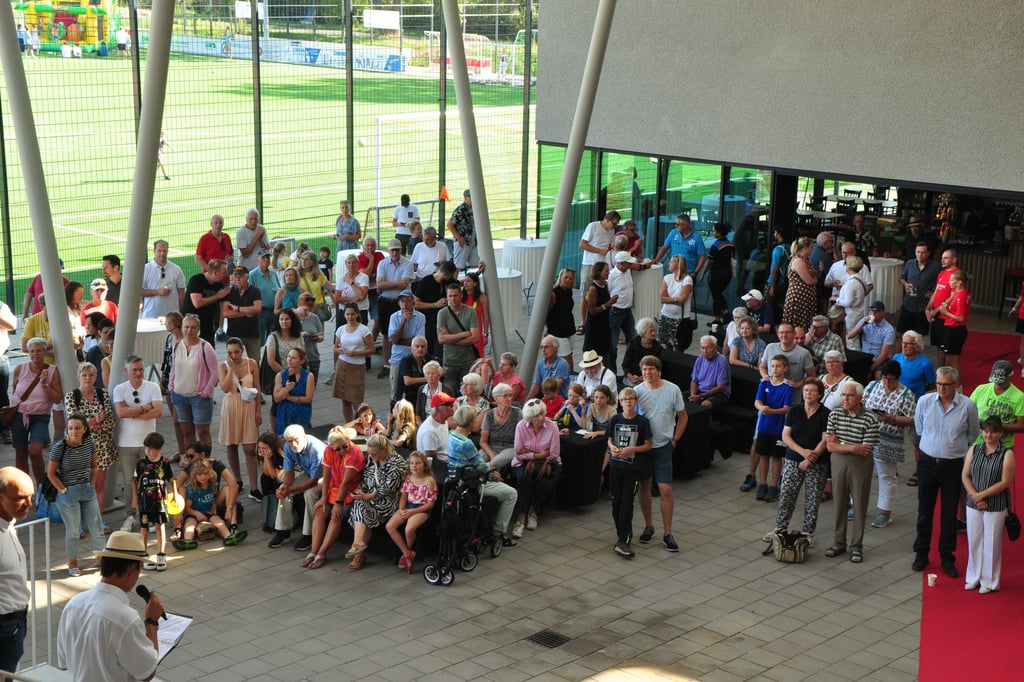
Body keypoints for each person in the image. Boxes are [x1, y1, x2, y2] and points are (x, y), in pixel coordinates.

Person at [56, 531, 163, 681]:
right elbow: (147, 672)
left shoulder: (74, 604)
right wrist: (151, 622)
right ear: (132, 569)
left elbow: (64, 662)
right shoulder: (126, 618)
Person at [913, 366, 979, 577]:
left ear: (956, 385)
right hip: (928, 463)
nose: (941, 388)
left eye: (946, 384)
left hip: (953, 465)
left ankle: (947, 557)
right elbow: (919, 429)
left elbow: (973, 435)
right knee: (924, 511)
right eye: (938, 383)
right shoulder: (924, 401)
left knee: (949, 513)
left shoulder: (968, 406)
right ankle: (921, 553)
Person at [768, 380, 830, 545]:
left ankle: (807, 533)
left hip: (818, 463)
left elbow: (825, 440)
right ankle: (780, 529)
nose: (808, 393)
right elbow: (786, 435)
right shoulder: (795, 410)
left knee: (812, 498)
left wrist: (811, 458)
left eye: (812, 391)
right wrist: (803, 453)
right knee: (787, 495)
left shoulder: (825, 413)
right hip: (793, 459)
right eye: (805, 390)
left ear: (819, 394)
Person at [635, 355, 687, 552]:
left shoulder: (672, 389)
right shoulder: (637, 392)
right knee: (644, 486)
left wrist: (675, 439)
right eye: (645, 370)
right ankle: (649, 526)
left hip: (664, 445)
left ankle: (668, 532)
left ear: (658, 371)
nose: (648, 373)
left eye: (651, 369)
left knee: (665, 489)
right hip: (644, 447)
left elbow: (683, 417)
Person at [824, 381, 880, 564]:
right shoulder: (835, 413)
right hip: (839, 461)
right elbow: (830, 446)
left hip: (860, 464)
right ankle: (839, 542)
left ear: (859, 397)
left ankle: (856, 546)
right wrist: (852, 447)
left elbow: (866, 449)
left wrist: (841, 444)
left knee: (859, 503)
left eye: (849, 396)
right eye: (843, 395)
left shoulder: (870, 418)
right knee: (839, 501)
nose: (844, 399)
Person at [962, 416, 1016, 594]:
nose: (988, 435)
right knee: (974, 540)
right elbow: (965, 475)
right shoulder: (974, 449)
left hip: (995, 505)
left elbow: (1005, 482)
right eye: (986, 431)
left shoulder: (1007, 454)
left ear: (1000, 433)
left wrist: (981, 495)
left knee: (992, 543)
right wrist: (974, 495)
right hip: (973, 503)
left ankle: (990, 581)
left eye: (993, 431)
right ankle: (973, 577)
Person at [48, 414, 105, 577]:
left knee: (97, 527)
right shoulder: (60, 447)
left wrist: (92, 484)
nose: (74, 431)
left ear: (84, 429)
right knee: (73, 531)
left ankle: (102, 558)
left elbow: (94, 466)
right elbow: (51, 473)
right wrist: (63, 490)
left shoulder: (89, 442)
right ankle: (72, 562)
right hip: (68, 493)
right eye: (71, 428)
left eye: (78, 428)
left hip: (87, 490)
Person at [862, 361, 917, 529]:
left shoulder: (906, 394)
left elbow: (911, 419)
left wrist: (892, 419)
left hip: (889, 438)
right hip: (866, 436)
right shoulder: (873, 386)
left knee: (886, 476)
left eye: (891, 380)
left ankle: (885, 512)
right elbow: (861, 405)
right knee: (861, 473)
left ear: (898, 378)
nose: (886, 383)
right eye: (884, 378)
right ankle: (856, 505)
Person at [302, 427, 364, 570]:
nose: (342, 451)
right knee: (320, 512)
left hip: (349, 493)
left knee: (336, 515)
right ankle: (313, 551)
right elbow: (327, 476)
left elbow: (346, 483)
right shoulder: (329, 450)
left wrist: (338, 504)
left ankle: (322, 553)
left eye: (344, 447)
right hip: (333, 490)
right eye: (338, 449)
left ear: (349, 441)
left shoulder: (355, 453)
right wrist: (323, 497)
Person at [65, 362, 117, 531]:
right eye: (84, 375)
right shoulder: (71, 396)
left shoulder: (103, 394)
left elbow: (110, 420)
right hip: (79, 448)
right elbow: (75, 424)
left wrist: (90, 421)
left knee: (98, 485)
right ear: (78, 377)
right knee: (79, 486)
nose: (87, 378)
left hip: (101, 447)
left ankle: (97, 520)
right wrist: (96, 419)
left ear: (96, 377)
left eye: (91, 375)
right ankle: (77, 523)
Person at [344, 435, 406, 571]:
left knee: (360, 506)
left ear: (384, 450)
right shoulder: (372, 459)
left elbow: (389, 488)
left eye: (375, 454)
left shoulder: (397, 463)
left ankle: (358, 549)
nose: (371, 456)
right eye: (370, 453)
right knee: (360, 504)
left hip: (388, 502)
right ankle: (358, 544)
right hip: (370, 497)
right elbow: (365, 479)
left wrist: (367, 496)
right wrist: (360, 492)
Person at [268, 425, 326, 551]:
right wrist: (284, 487)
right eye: (290, 441)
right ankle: (283, 531)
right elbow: (289, 473)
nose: (293, 444)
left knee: (309, 494)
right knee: (284, 490)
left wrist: (291, 489)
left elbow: (313, 481)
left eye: (296, 440)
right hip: (309, 473)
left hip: (326, 476)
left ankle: (309, 534)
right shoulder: (288, 447)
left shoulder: (315, 449)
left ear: (304, 437)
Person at [12, 337, 62, 484]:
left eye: (39, 350)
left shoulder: (52, 371)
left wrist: (44, 384)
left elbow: (57, 399)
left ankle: (41, 487)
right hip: (19, 415)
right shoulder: (20, 368)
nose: (35, 354)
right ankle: (21, 487)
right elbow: (15, 391)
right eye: (32, 351)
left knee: (35, 450)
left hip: (40, 416)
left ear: (45, 352)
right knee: (20, 453)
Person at [218, 337, 262, 501]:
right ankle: (237, 479)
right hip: (231, 406)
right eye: (230, 352)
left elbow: (257, 388)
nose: (233, 355)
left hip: (248, 407)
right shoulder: (222, 365)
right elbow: (224, 388)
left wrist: (258, 410)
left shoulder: (251, 363)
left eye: (236, 352)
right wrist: (230, 369)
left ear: (242, 350)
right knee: (231, 445)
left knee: (250, 448)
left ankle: (254, 487)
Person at [0, 466, 34, 676]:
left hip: (14, 624)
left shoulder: (8, 522)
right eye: (20, 498)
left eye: (30, 496)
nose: (29, 504)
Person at [167, 314, 218, 451]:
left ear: (198, 329)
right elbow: (174, 367)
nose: (189, 330)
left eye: (193, 327)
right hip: (179, 395)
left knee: (203, 432)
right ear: (182, 328)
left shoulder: (205, 347)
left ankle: (206, 462)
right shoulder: (177, 345)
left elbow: (215, 372)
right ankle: (192, 463)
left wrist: (206, 391)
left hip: (199, 397)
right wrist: (171, 386)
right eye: (186, 327)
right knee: (187, 432)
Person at [386, 452, 437, 574]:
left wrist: (412, 511)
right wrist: (402, 509)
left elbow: (430, 504)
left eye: (418, 463)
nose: (414, 466)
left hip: (422, 508)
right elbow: (404, 496)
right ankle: (407, 553)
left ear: (424, 465)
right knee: (390, 526)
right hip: (408, 506)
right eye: (412, 463)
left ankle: (407, 552)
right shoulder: (408, 478)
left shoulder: (429, 481)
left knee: (409, 529)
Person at [753, 355, 795, 503]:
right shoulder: (764, 383)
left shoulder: (788, 387)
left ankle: (774, 485)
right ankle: (763, 483)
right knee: (763, 455)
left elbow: (786, 408)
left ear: (785, 368)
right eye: (772, 366)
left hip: (778, 428)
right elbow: (757, 401)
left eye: (778, 366)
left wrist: (772, 411)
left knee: (776, 457)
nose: (774, 369)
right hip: (764, 426)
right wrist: (762, 408)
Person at [179, 459, 247, 548]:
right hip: (193, 514)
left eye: (205, 473)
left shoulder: (212, 485)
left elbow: (213, 496)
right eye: (199, 474)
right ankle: (188, 541)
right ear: (195, 476)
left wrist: (214, 505)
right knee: (190, 525)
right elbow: (187, 508)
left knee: (219, 522)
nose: (203, 477)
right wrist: (196, 513)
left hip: (208, 512)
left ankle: (229, 537)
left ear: (210, 473)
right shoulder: (192, 489)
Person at [130, 432, 172, 572]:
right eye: (146, 448)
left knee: (160, 527)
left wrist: (175, 495)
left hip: (160, 501)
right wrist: (135, 498)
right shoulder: (141, 463)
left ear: (158, 449)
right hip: (144, 501)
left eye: (150, 449)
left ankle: (161, 555)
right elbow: (134, 481)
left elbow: (172, 479)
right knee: (144, 528)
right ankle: (144, 556)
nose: (147, 451)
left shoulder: (164, 462)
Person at [578, 211, 621, 328]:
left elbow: (610, 245)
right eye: (613, 224)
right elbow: (582, 244)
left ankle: (600, 319)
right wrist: (599, 251)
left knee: (603, 292)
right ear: (607, 220)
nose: (614, 226)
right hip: (590, 263)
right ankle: (583, 322)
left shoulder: (611, 230)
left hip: (603, 264)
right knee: (585, 293)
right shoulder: (593, 226)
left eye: (616, 224)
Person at [264, 308, 305, 429]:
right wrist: (287, 375)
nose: (284, 321)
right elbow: (271, 361)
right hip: (279, 376)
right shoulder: (273, 337)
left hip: (298, 375)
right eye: (281, 319)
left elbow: (303, 355)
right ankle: (275, 430)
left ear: (292, 320)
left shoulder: (298, 336)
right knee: (277, 405)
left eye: (287, 319)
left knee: (296, 404)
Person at [332, 303, 373, 422]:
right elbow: (335, 348)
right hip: (342, 364)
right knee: (344, 399)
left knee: (356, 400)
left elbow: (371, 349)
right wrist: (339, 350)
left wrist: (356, 353)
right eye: (347, 314)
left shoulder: (363, 329)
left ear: (357, 314)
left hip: (357, 367)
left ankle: (365, 422)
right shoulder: (340, 329)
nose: (350, 317)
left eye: (352, 314)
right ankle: (349, 424)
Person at [437, 282, 480, 396]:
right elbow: (441, 339)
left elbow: (475, 337)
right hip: (449, 363)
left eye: (455, 295)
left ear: (461, 295)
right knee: (450, 394)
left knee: (469, 394)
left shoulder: (470, 311)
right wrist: (465, 333)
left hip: (468, 362)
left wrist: (451, 338)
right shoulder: (442, 313)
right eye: (450, 296)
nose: (452, 299)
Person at [378, 239, 415, 362]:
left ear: (401, 250)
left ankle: (407, 360)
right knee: (386, 334)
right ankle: (387, 363)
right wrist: (398, 283)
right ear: (388, 251)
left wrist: (386, 284)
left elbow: (403, 285)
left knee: (405, 331)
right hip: (386, 302)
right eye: (392, 250)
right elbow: (380, 284)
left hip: (402, 303)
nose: (395, 252)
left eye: (397, 250)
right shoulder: (382, 264)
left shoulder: (408, 264)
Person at [925, 248, 960, 368]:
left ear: (954, 260)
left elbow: (953, 296)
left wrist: (937, 310)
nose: (942, 260)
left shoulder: (957, 275)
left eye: (946, 258)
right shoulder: (942, 273)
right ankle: (940, 370)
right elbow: (936, 292)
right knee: (938, 345)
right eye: (942, 258)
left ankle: (947, 372)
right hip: (937, 315)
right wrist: (928, 308)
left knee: (947, 348)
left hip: (947, 317)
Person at [182, 258, 229, 345]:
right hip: (192, 327)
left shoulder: (218, 284)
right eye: (224, 272)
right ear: (215, 273)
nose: (226, 275)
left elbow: (219, 306)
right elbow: (197, 303)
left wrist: (217, 322)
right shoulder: (196, 280)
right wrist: (217, 296)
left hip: (208, 326)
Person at [221, 266, 262, 362]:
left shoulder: (255, 291)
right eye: (235, 276)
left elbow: (257, 308)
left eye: (241, 276)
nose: (238, 279)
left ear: (247, 277)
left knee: (255, 362)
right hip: (234, 333)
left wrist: (238, 309)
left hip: (252, 334)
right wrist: (246, 312)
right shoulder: (229, 292)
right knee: (233, 362)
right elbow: (225, 313)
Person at [897, 241, 940, 335]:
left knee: (919, 336)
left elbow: (940, 283)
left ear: (928, 253)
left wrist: (933, 293)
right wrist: (905, 284)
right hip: (908, 303)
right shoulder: (909, 263)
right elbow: (901, 278)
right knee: (900, 333)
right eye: (918, 252)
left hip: (923, 306)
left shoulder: (935, 267)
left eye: (923, 252)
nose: (920, 255)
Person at [273, 348, 315, 435]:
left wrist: (287, 396)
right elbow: (276, 398)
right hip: (285, 413)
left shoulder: (308, 376)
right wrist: (287, 389)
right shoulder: (280, 375)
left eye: (293, 358)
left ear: (301, 361)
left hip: (301, 413)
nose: (289, 359)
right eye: (289, 356)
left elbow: (308, 398)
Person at [141, 240, 187, 319]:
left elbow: (181, 294)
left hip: (172, 318)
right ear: (154, 251)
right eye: (159, 251)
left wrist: (180, 313)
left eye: (164, 251)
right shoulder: (146, 269)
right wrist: (157, 292)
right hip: (151, 316)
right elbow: (138, 291)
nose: (162, 253)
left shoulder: (176, 269)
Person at [657, 255, 695, 351]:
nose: (669, 264)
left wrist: (669, 299)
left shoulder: (687, 279)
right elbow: (662, 298)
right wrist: (676, 299)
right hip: (665, 316)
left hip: (680, 320)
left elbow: (682, 300)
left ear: (678, 265)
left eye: (671, 262)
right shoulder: (667, 278)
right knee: (667, 345)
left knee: (679, 348)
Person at [848, 301, 896, 375]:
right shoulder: (865, 321)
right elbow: (850, 336)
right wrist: (862, 324)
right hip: (865, 357)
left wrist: (870, 368)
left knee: (878, 375)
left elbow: (884, 354)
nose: (873, 314)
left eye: (876, 312)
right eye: (872, 311)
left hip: (879, 359)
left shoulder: (888, 330)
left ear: (882, 313)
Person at [937, 270, 970, 375]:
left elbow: (960, 317)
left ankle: (956, 385)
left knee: (953, 360)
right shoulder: (960, 294)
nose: (949, 282)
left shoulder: (960, 296)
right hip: (953, 328)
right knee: (951, 359)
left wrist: (946, 312)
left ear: (959, 282)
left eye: (952, 280)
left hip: (955, 329)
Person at [654, 213, 707, 279]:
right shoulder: (673, 233)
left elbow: (703, 256)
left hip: (689, 274)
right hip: (674, 272)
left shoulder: (696, 238)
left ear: (685, 225)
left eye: (678, 224)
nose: (675, 226)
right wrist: (656, 259)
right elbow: (664, 247)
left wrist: (695, 272)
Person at [546, 268, 578, 369]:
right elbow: (546, 312)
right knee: (567, 359)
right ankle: (568, 379)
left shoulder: (569, 291)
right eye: (566, 277)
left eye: (571, 278)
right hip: (558, 331)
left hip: (570, 328)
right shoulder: (553, 293)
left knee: (569, 356)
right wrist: (547, 328)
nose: (568, 280)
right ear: (560, 277)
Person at [583, 262, 615, 361]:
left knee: (604, 353)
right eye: (606, 271)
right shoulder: (593, 289)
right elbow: (592, 310)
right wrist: (608, 304)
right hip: (595, 327)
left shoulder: (604, 285)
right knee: (593, 355)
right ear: (599, 272)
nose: (608, 273)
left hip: (604, 324)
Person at [688, 335, 731, 409]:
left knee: (705, 405)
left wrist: (701, 396)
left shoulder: (721, 361)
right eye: (703, 348)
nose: (705, 351)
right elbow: (694, 381)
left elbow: (721, 387)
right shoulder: (700, 358)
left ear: (715, 347)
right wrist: (693, 395)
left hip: (718, 394)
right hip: (700, 391)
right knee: (678, 397)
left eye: (708, 348)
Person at [527, 335, 571, 401]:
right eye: (542, 347)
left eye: (546, 347)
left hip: (560, 399)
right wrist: (527, 401)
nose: (543, 350)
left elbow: (555, 389)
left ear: (555, 348)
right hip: (546, 396)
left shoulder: (562, 364)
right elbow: (536, 386)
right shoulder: (541, 364)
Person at [249, 248, 279, 343]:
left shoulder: (273, 273)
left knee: (273, 341)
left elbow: (280, 289)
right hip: (261, 313)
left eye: (268, 257)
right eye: (263, 257)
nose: (266, 259)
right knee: (260, 341)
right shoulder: (252, 275)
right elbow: (250, 294)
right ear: (257, 259)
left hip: (274, 311)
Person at [706, 222, 734, 321]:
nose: (712, 232)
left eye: (714, 231)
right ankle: (726, 312)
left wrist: (703, 274)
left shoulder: (715, 246)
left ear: (719, 233)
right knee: (718, 294)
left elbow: (710, 262)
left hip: (716, 274)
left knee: (715, 296)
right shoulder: (729, 244)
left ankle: (717, 319)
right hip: (727, 273)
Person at [623, 318, 663, 387]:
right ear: (643, 332)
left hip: (650, 376)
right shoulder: (633, 344)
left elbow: (658, 367)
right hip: (633, 377)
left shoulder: (657, 347)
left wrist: (645, 376)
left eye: (654, 330)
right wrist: (631, 377)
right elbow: (625, 365)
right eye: (651, 331)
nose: (654, 333)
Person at [295, 293, 325, 383]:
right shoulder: (291, 318)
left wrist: (318, 337)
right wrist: (300, 335)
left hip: (313, 356)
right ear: (299, 305)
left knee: (311, 386)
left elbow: (322, 335)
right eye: (305, 309)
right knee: (296, 386)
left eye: (310, 309)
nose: (307, 312)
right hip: (297, 358)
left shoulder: (314, 317)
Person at [448, 189, 479, 272]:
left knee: (475, 265)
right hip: (463, 242)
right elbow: (450, 224)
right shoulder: (460, 210)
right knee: (457, 266)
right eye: (470, 197)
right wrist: (459, 237)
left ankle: (473, 282)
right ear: (466, 198)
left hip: (473, 242)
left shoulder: (475, 208)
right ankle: (453, 283)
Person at [461, 272, 489, 359]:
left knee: (478, 359)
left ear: (475, 283)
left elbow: (485, 316)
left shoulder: (482, 297)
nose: (465, 283)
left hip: (477, 332)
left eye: (468, 281)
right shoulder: (461, 296)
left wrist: (485, 334)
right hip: (463, 331)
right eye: (464, 281)